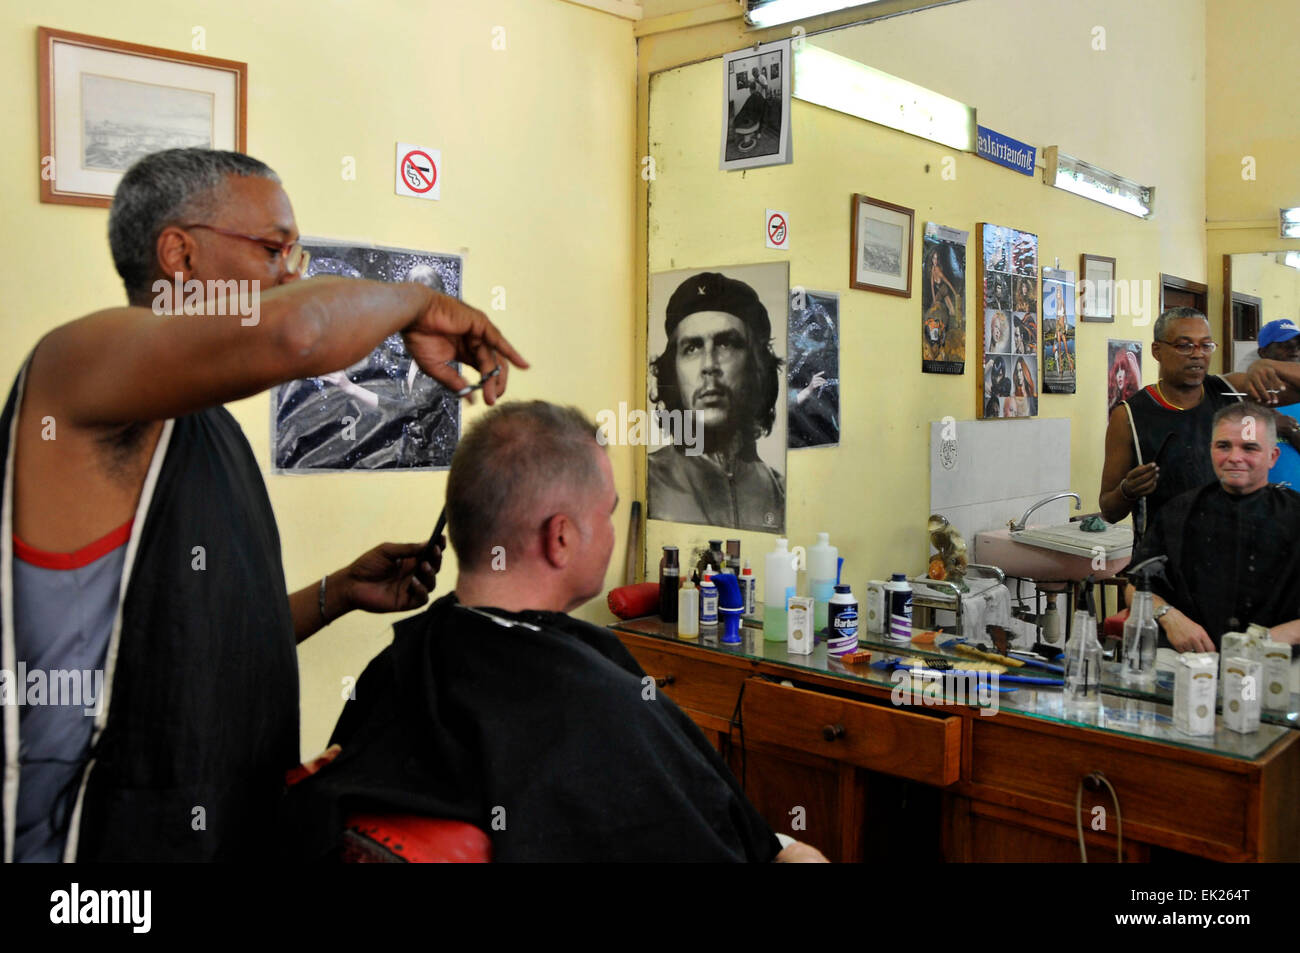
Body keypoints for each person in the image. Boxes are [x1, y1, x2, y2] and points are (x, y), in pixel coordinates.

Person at [2, 148, 526, 862]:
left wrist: (336, 593)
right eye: (275, 248)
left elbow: (198, 646)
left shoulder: (208, 426)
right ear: (179, 255)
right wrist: (422, 302)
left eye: (295, 254)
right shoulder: (71, 367)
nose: (290, 273)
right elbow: (297, 330)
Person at [284, 401, 828, 862]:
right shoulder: (600, 706)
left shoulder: (400, 665)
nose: (613, 533)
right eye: (609, 514)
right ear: (560, 538)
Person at [1098, 307, 1300, 542]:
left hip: (1230, 557)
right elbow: (1109, 511)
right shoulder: (1129, 416)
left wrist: (1269, 366)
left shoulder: (1231, 391)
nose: (1197, 354)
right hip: (1163, 562)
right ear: (1157, 350)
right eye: (1184, 346)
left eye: (1206, 345)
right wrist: (1128, 490)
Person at [1126, 403, 1300, 651]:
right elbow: (1135, 588)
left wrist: (1281, 636)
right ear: (1211, 450)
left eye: (1249, 448)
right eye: (1224, 446)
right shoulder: (1179, 512)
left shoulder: (1295, 515)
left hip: (1279, 662)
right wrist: (1170, 617)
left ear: (1272, 456)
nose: (1234, 457)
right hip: (1192, 659)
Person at [648, 272, 785, 531]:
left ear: (756, 366)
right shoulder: (645, 480)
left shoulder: (781, 493)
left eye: (726, 344)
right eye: (692, 348)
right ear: (672, 371)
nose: (709, 365)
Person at [1254, 319, 1300, 487]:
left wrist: (1292, 432)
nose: (1294, 350)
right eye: (1284, 344)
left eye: (1297, 344)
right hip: (1262, 504)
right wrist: (1265, 427)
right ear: (1263, 353)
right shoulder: (1247, 395)